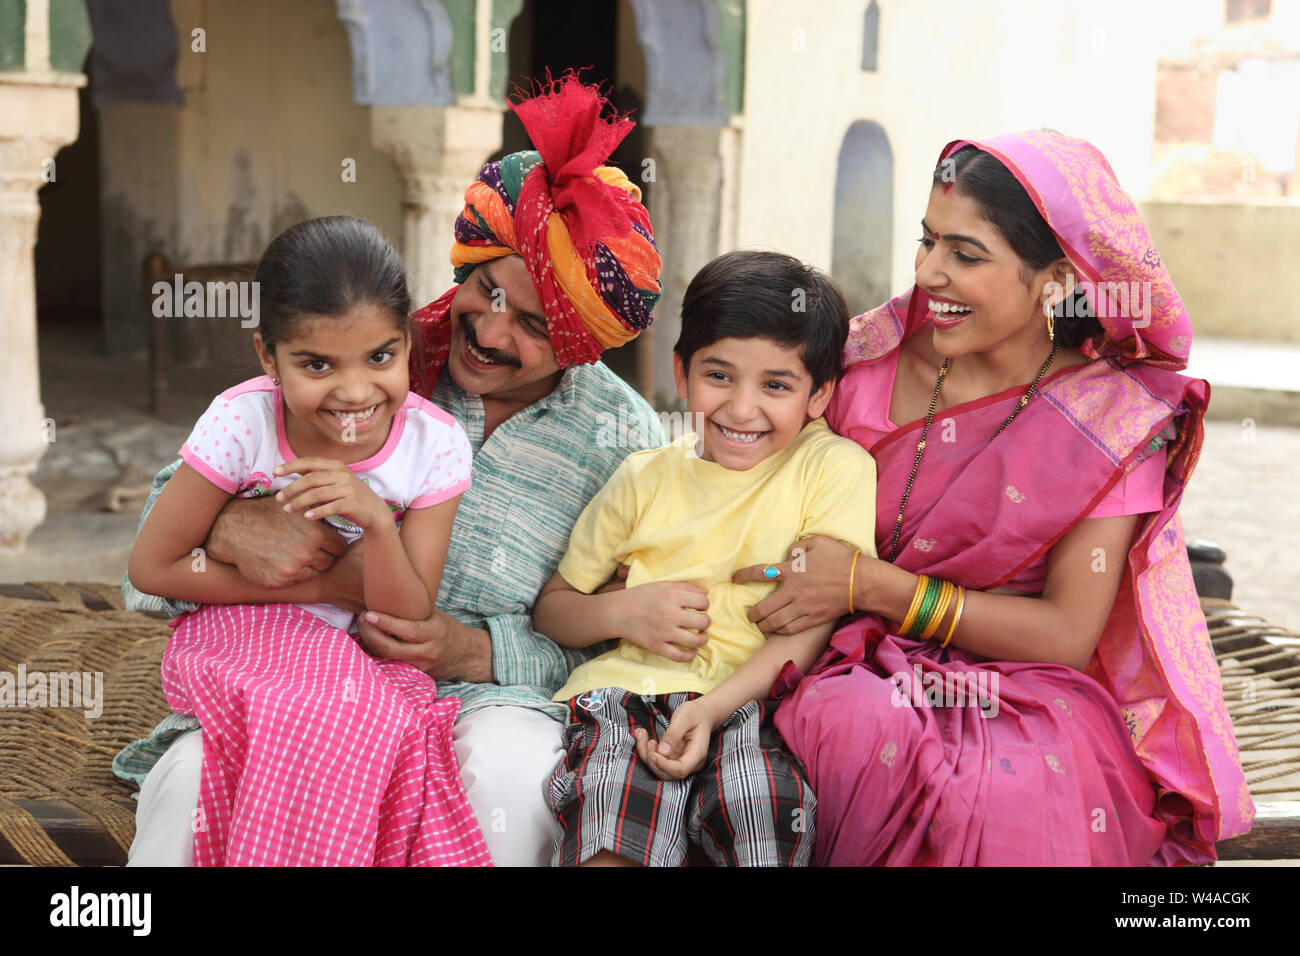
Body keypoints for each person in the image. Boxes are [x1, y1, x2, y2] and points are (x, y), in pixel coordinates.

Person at [114, 75, 666, 866]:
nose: (488, 328)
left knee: (511, 787)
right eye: (484, 288)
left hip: (488, 703)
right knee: (196, 782)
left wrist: (473, 652)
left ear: (581, 338)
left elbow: (622, 640)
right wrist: (240, 526)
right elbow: (149, 570)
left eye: (535, 324)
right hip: (290, 676)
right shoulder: (360, 359)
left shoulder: (625, 442)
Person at [733, 131, 1253, 865]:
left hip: (1029, 690)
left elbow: (1070, 631)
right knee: (851, 722)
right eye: (927, 242)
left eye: (965, 255)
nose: (928, 272)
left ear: (1056, 281)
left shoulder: (1109, 418)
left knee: (1012, 793)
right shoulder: (859, 364)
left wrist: (875, 585)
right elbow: (742, 494)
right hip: (838, 655)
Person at [126, 215, 488, 866]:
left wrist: (377, 520)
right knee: (326, 720)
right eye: (316, 364)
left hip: (356, 666)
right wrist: (321, 585)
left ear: (407, 341)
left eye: (379, 356)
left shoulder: (435, 447)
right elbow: (154, 566)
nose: (354, 392)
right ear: (269, 356)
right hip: (238, 639)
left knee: (389, 737)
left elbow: (409, 610)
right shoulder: (242, 423)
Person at [533, 251, 877, 866]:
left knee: (765, 811)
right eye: (719, 376)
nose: (742, 409)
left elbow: (817, 617)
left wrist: (714, 708)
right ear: (681, 372)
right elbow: (554, 610)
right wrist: (625, 614)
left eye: (776, 385)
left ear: (820, 394)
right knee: (611, 812)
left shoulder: (832, 469)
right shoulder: (643, 479)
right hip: (629, 701)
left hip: (759, 706)